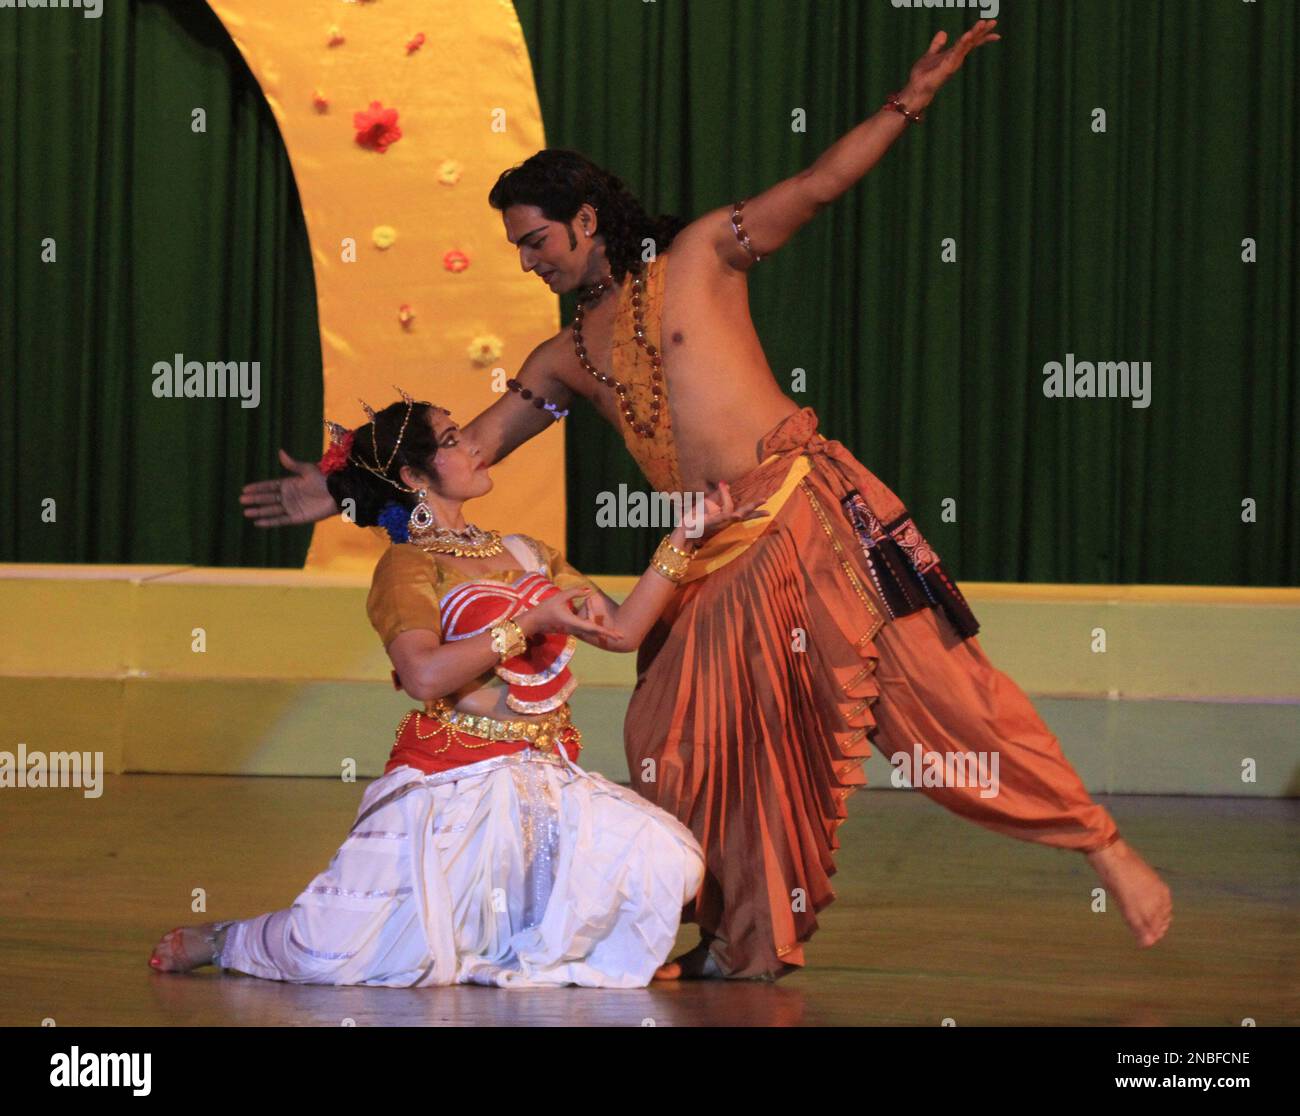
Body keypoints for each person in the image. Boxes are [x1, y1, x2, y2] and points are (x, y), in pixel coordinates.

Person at [240, 19, 1173, 980]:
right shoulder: (563, 359)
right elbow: (452, 454)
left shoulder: (700, 257)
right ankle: (740, 938)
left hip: (805, 516)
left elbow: (816, 187)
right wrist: (344, 485)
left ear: (587, 221)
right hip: (708, 550)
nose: (528, 261)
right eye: (517, 248)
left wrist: (912, 98)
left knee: (939, 700)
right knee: (668, 736)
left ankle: (1101, 844)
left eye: (535, 240)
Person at [152, 394, 762, 987]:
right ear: (415, 475)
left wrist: (685, 537)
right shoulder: (408, 567)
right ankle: (226, 938)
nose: (475, 445)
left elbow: (623, 632)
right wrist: (528, 623)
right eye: (452, 441)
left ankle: (516, 942)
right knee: (336, 954)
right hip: (450, 783)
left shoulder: (526, 553)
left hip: (543, 776)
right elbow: (422, 675)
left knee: (669, 859)